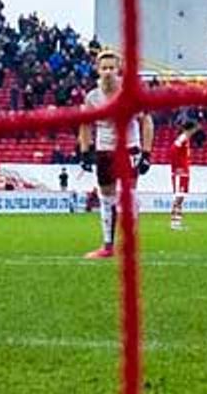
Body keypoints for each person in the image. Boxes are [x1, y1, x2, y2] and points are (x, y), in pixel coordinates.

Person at [77, 50, 153, 260]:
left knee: (129, 195)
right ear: (98, 70)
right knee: (106, 197)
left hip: (129, 148)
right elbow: (85, 124)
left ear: (118, 69)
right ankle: (108, 246)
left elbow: (146, 122)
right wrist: (85, 152)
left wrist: (147, 153)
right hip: (104, 150)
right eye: (104, 68)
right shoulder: (92, 97)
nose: (108, 72)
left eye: (112, 68)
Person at [168, 115, 199, 232]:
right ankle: (174, 223)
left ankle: (177, 222)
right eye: (194, 128)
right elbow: (172, 150)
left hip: (184, 172)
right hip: (179, 173)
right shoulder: (182, 138)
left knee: (181, 197)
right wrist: (177, 167)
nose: (195, 131)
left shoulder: (186, 139)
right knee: (178, 196)